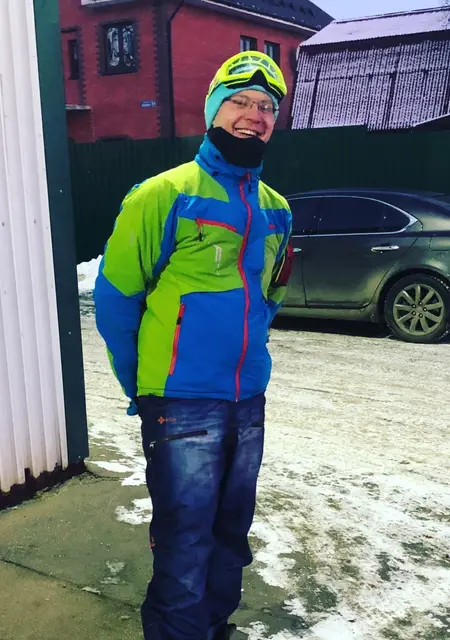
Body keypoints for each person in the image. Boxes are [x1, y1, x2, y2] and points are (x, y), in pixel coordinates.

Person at [94, 51, 293, 640]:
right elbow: (116, 300)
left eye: (266, 107)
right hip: (180, 402)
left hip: (247, 401)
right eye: (240, 102)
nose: (253, 115)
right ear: (212, 110)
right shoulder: (163, 195)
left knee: (231, 533)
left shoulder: (277, 209)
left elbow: (270, 296)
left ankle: (213, 626)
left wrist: (250, 361)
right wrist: (144, 386)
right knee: (184, 542)